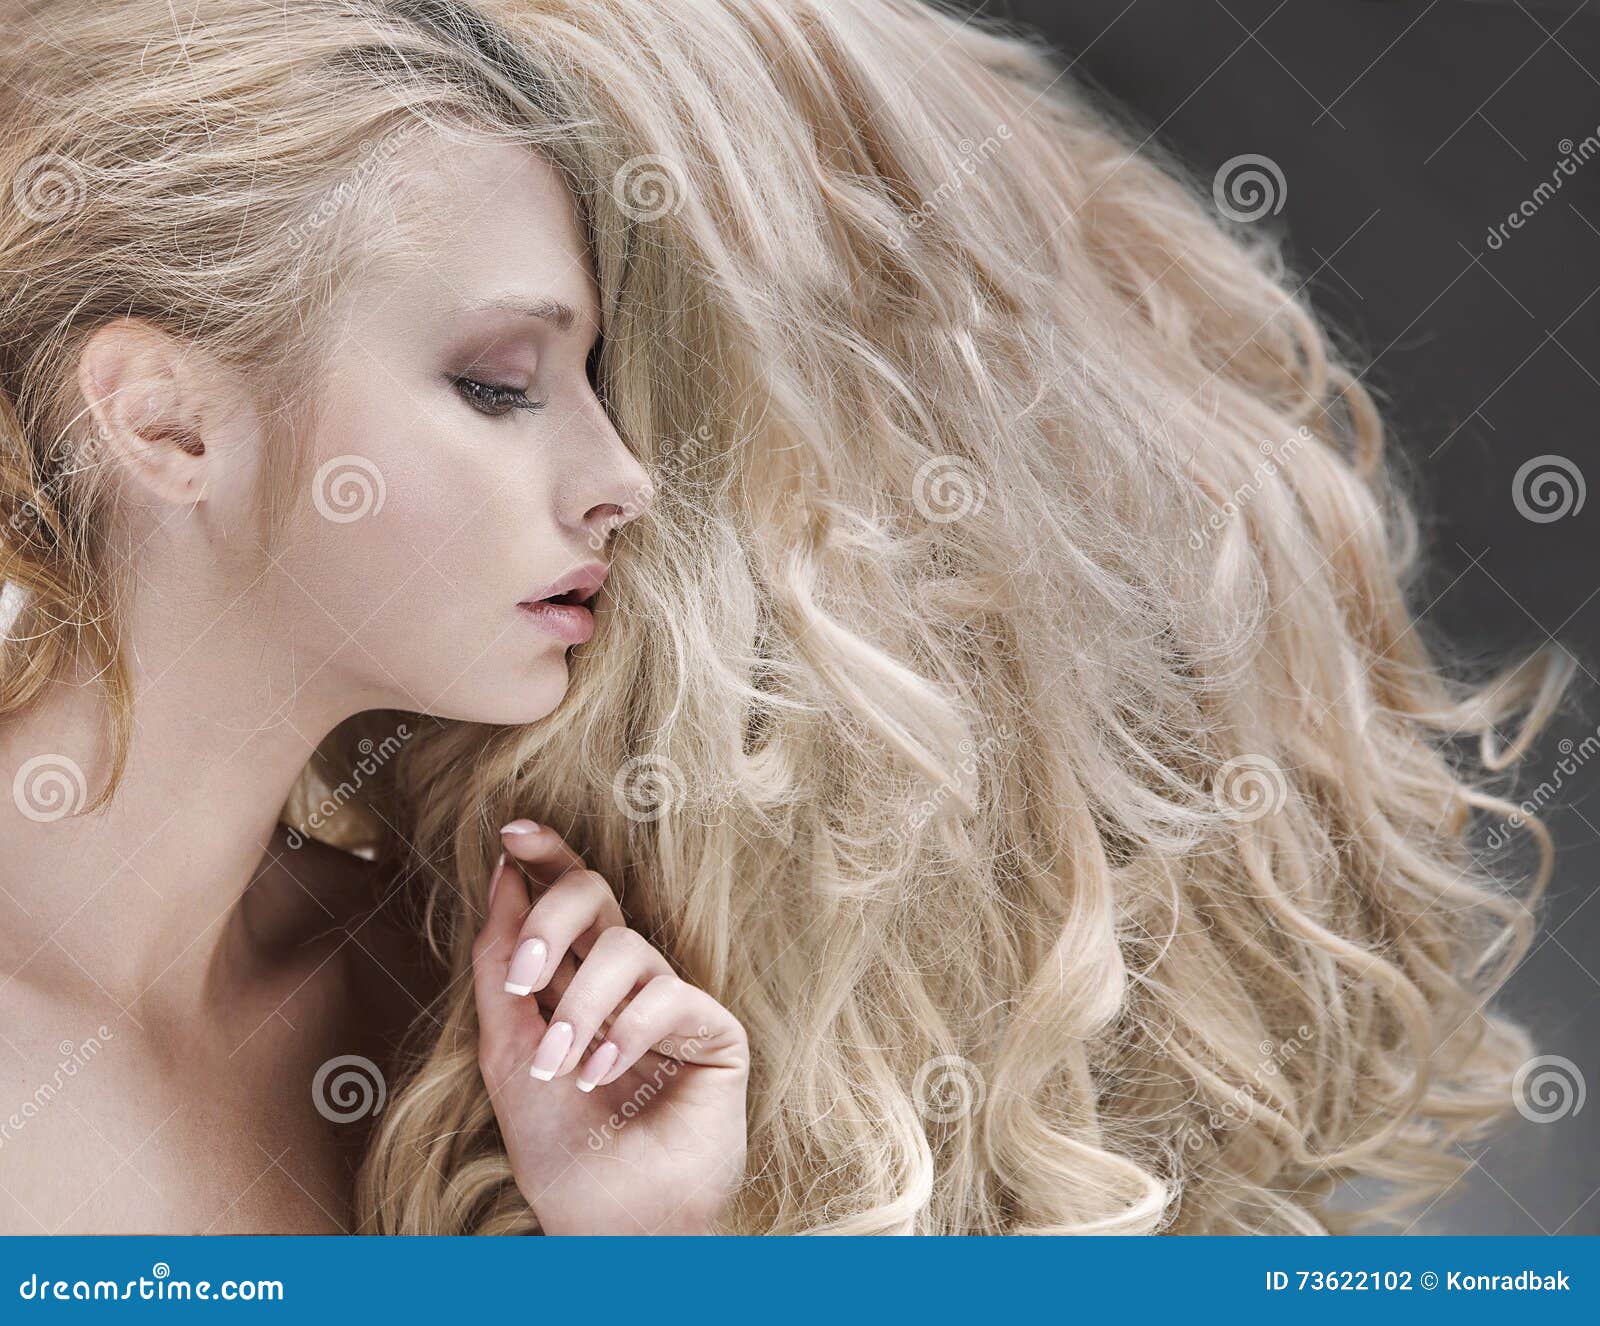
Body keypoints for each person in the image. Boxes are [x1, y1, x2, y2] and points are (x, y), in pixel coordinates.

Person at [0, 0, 1564, 1236]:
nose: (620, 478)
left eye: (598, 385)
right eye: (497, 383)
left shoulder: (426, 1020)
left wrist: (642, 1249)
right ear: (168, 421)